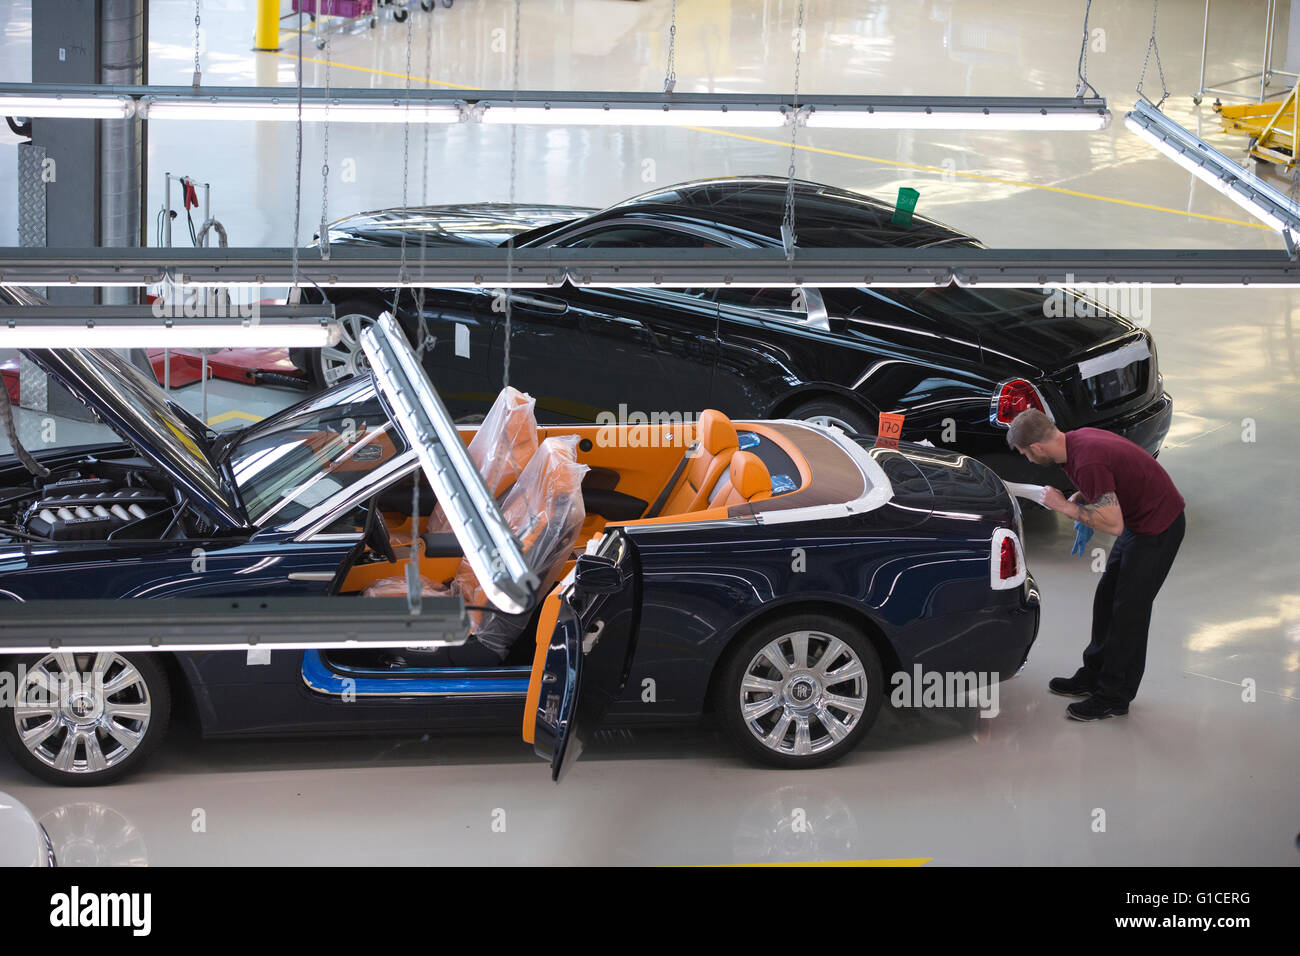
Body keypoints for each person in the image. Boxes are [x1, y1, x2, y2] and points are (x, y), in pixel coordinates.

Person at [1006, 408, 1186, 720]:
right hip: (1139, 523)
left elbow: (1113, 523)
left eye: (1025, 454)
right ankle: (1094, 673)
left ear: (1036, 448)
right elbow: (1109, 477)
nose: (1028, 461)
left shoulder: (1086, 460)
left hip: (1158, 528)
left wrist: (1064, 507)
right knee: (1107, 600)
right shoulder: (1075, 442)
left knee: (1129, 612)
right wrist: (1083, 497)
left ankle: (1113, 696)